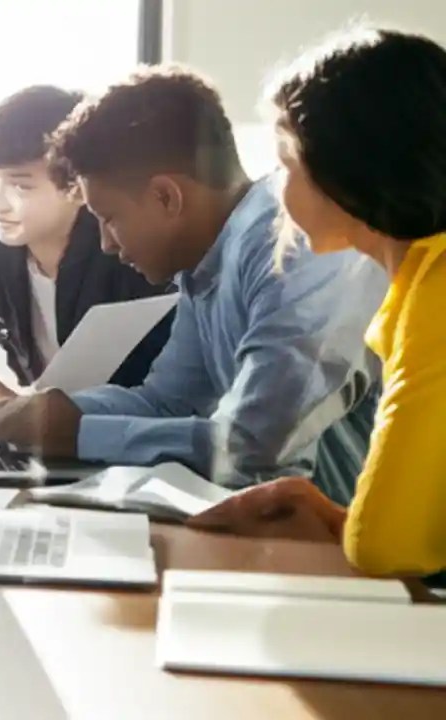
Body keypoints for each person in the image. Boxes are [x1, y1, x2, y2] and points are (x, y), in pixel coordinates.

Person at [0, 65, 385, 498]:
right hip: (265, 528)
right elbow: (167, 401)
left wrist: (72, 433)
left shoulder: (294, 251)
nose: (106, 245)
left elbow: (253, 448)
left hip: (348, 553)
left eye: (109, 219)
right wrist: (42, 411)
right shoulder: (204, 263)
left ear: (165, 197)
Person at [189, 28, 446, 583]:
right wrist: (331, 517)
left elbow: (389, 549)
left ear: (350, 170)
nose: (275, 191)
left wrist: (349, 529)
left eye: (286, 165)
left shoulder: (437, 299)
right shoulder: (421, 283)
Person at [0, 85, 173, 412]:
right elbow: (36, 376)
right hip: (55, 442)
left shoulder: (121, 250)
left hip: (122, 437)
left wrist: (7, 405)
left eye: (21, 185)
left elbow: (149, 392)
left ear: (76, 186)